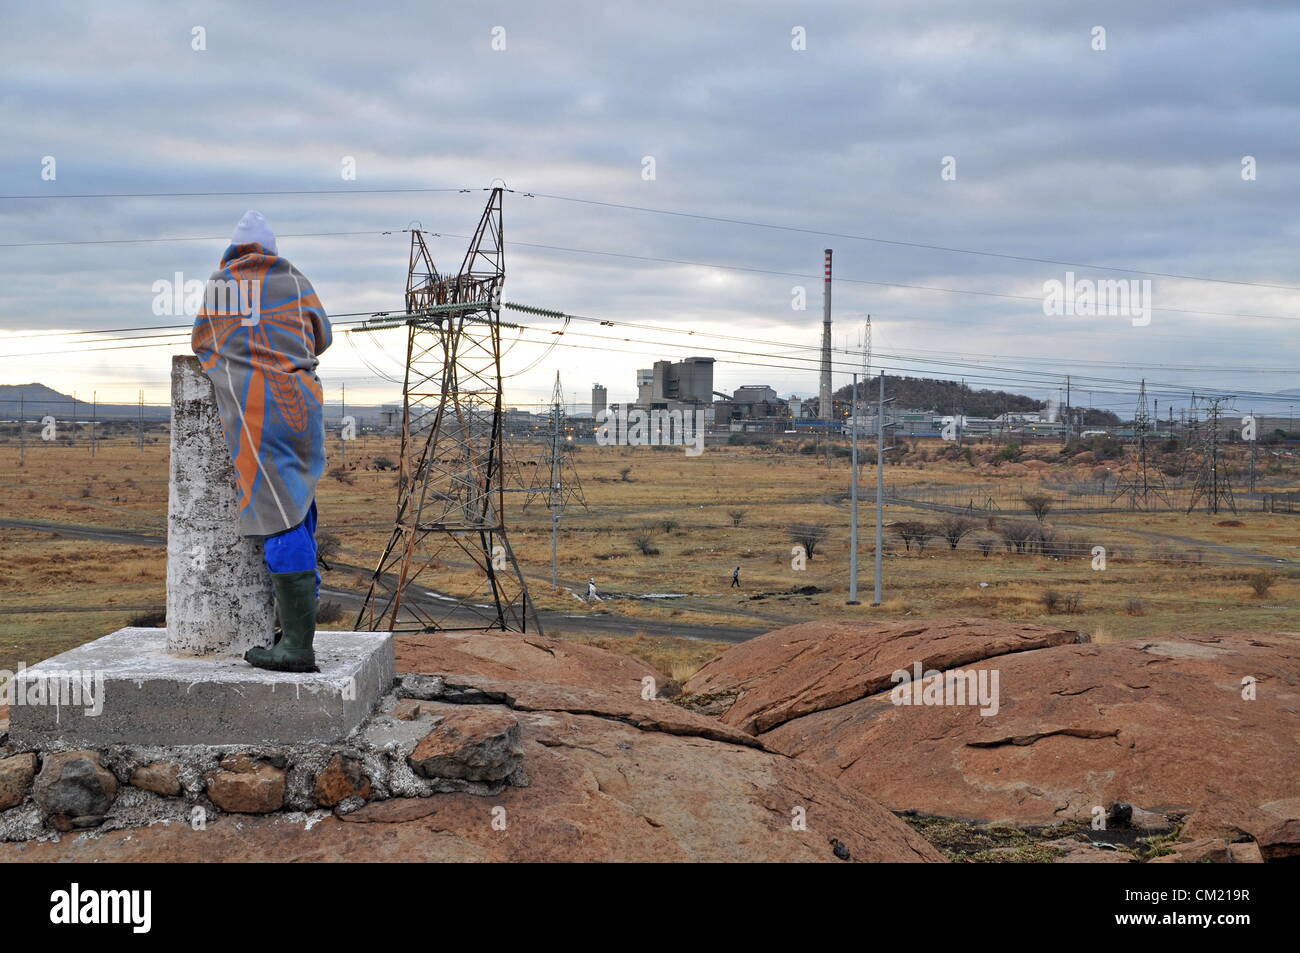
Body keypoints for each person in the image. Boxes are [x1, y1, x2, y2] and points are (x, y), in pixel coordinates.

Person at [191, 211, 332, 672]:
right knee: (299, 503)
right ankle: (296, 626)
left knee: (277, 517)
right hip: (302, 405)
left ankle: (296, 647)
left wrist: (241, 359)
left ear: (232, 251)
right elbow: (322, 336)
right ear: (272, 249)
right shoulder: (294, 280)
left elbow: (202, 341)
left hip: (259, 412)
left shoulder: (221, 285)